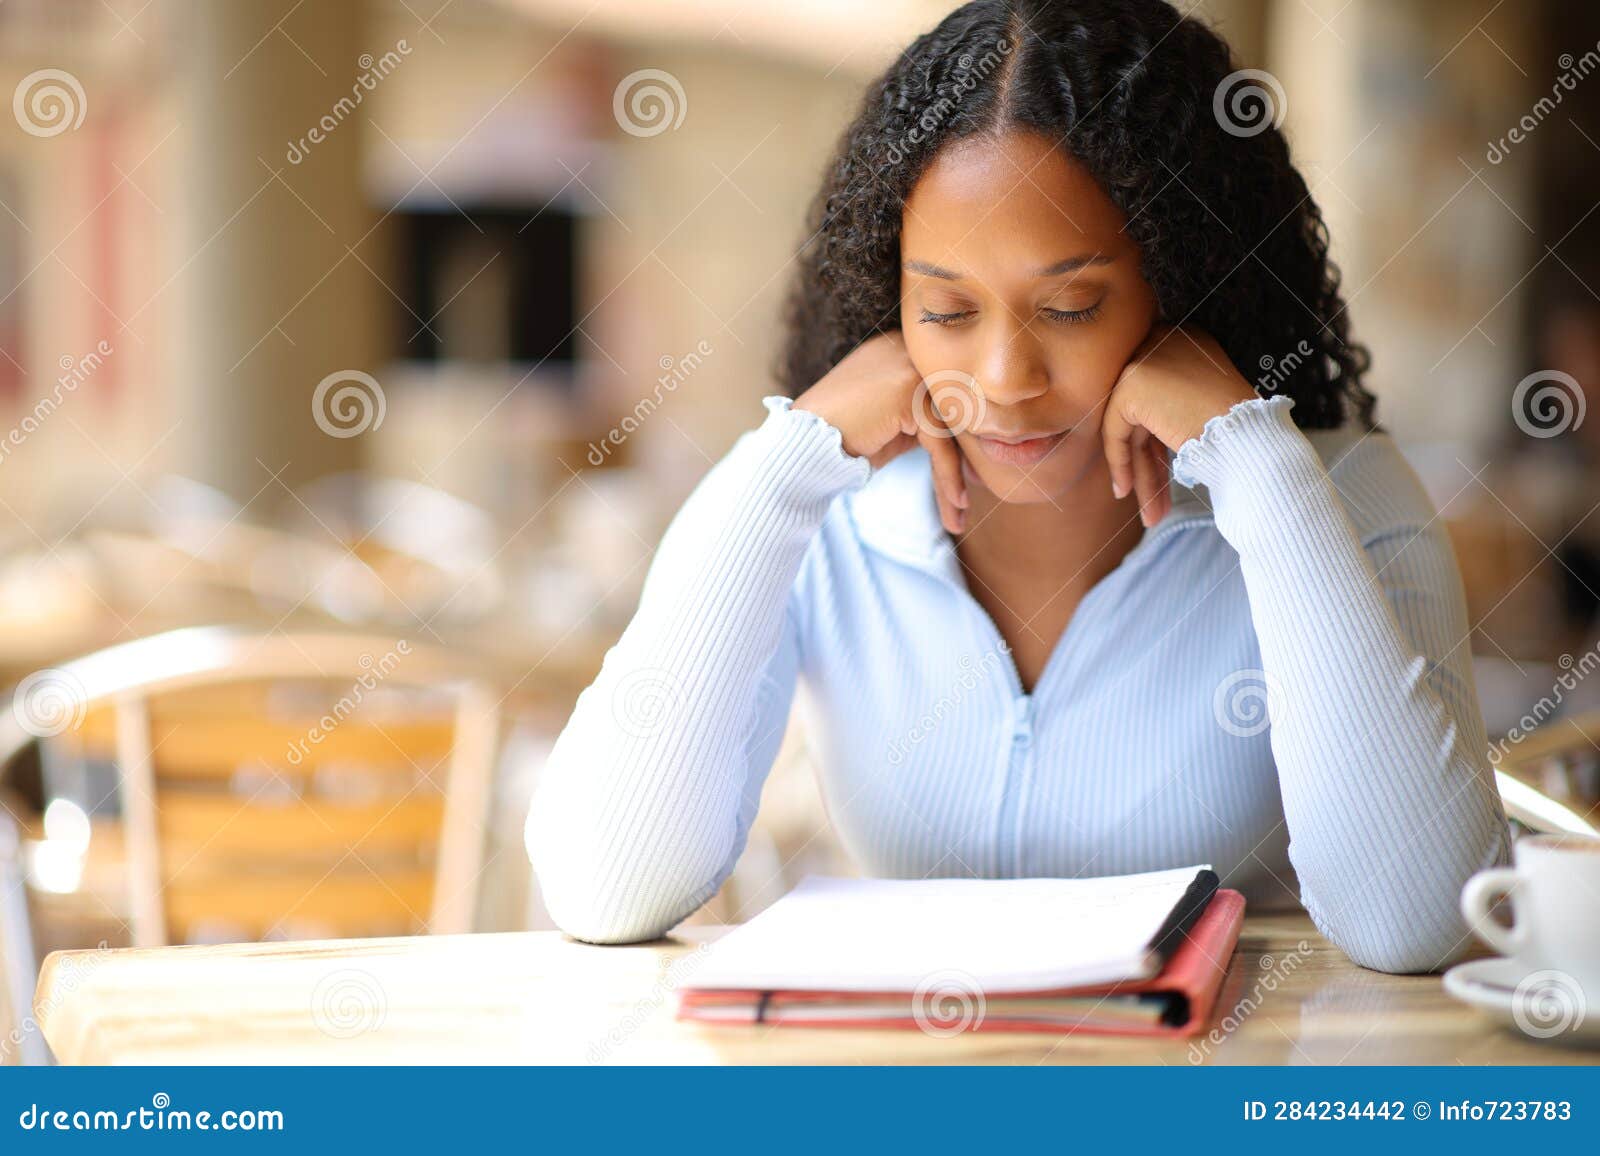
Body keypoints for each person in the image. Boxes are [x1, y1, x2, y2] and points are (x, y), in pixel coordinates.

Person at [527, 0, 1511, 973]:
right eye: (946, 309)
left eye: (1071, 305)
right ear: (887, 305)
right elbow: (604, 888)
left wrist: (1257, 466)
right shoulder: (834, 514)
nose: (1003, 379)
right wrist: (785, 469)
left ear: (1183, 285)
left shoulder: (1336, 495)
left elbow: (1415, 920)